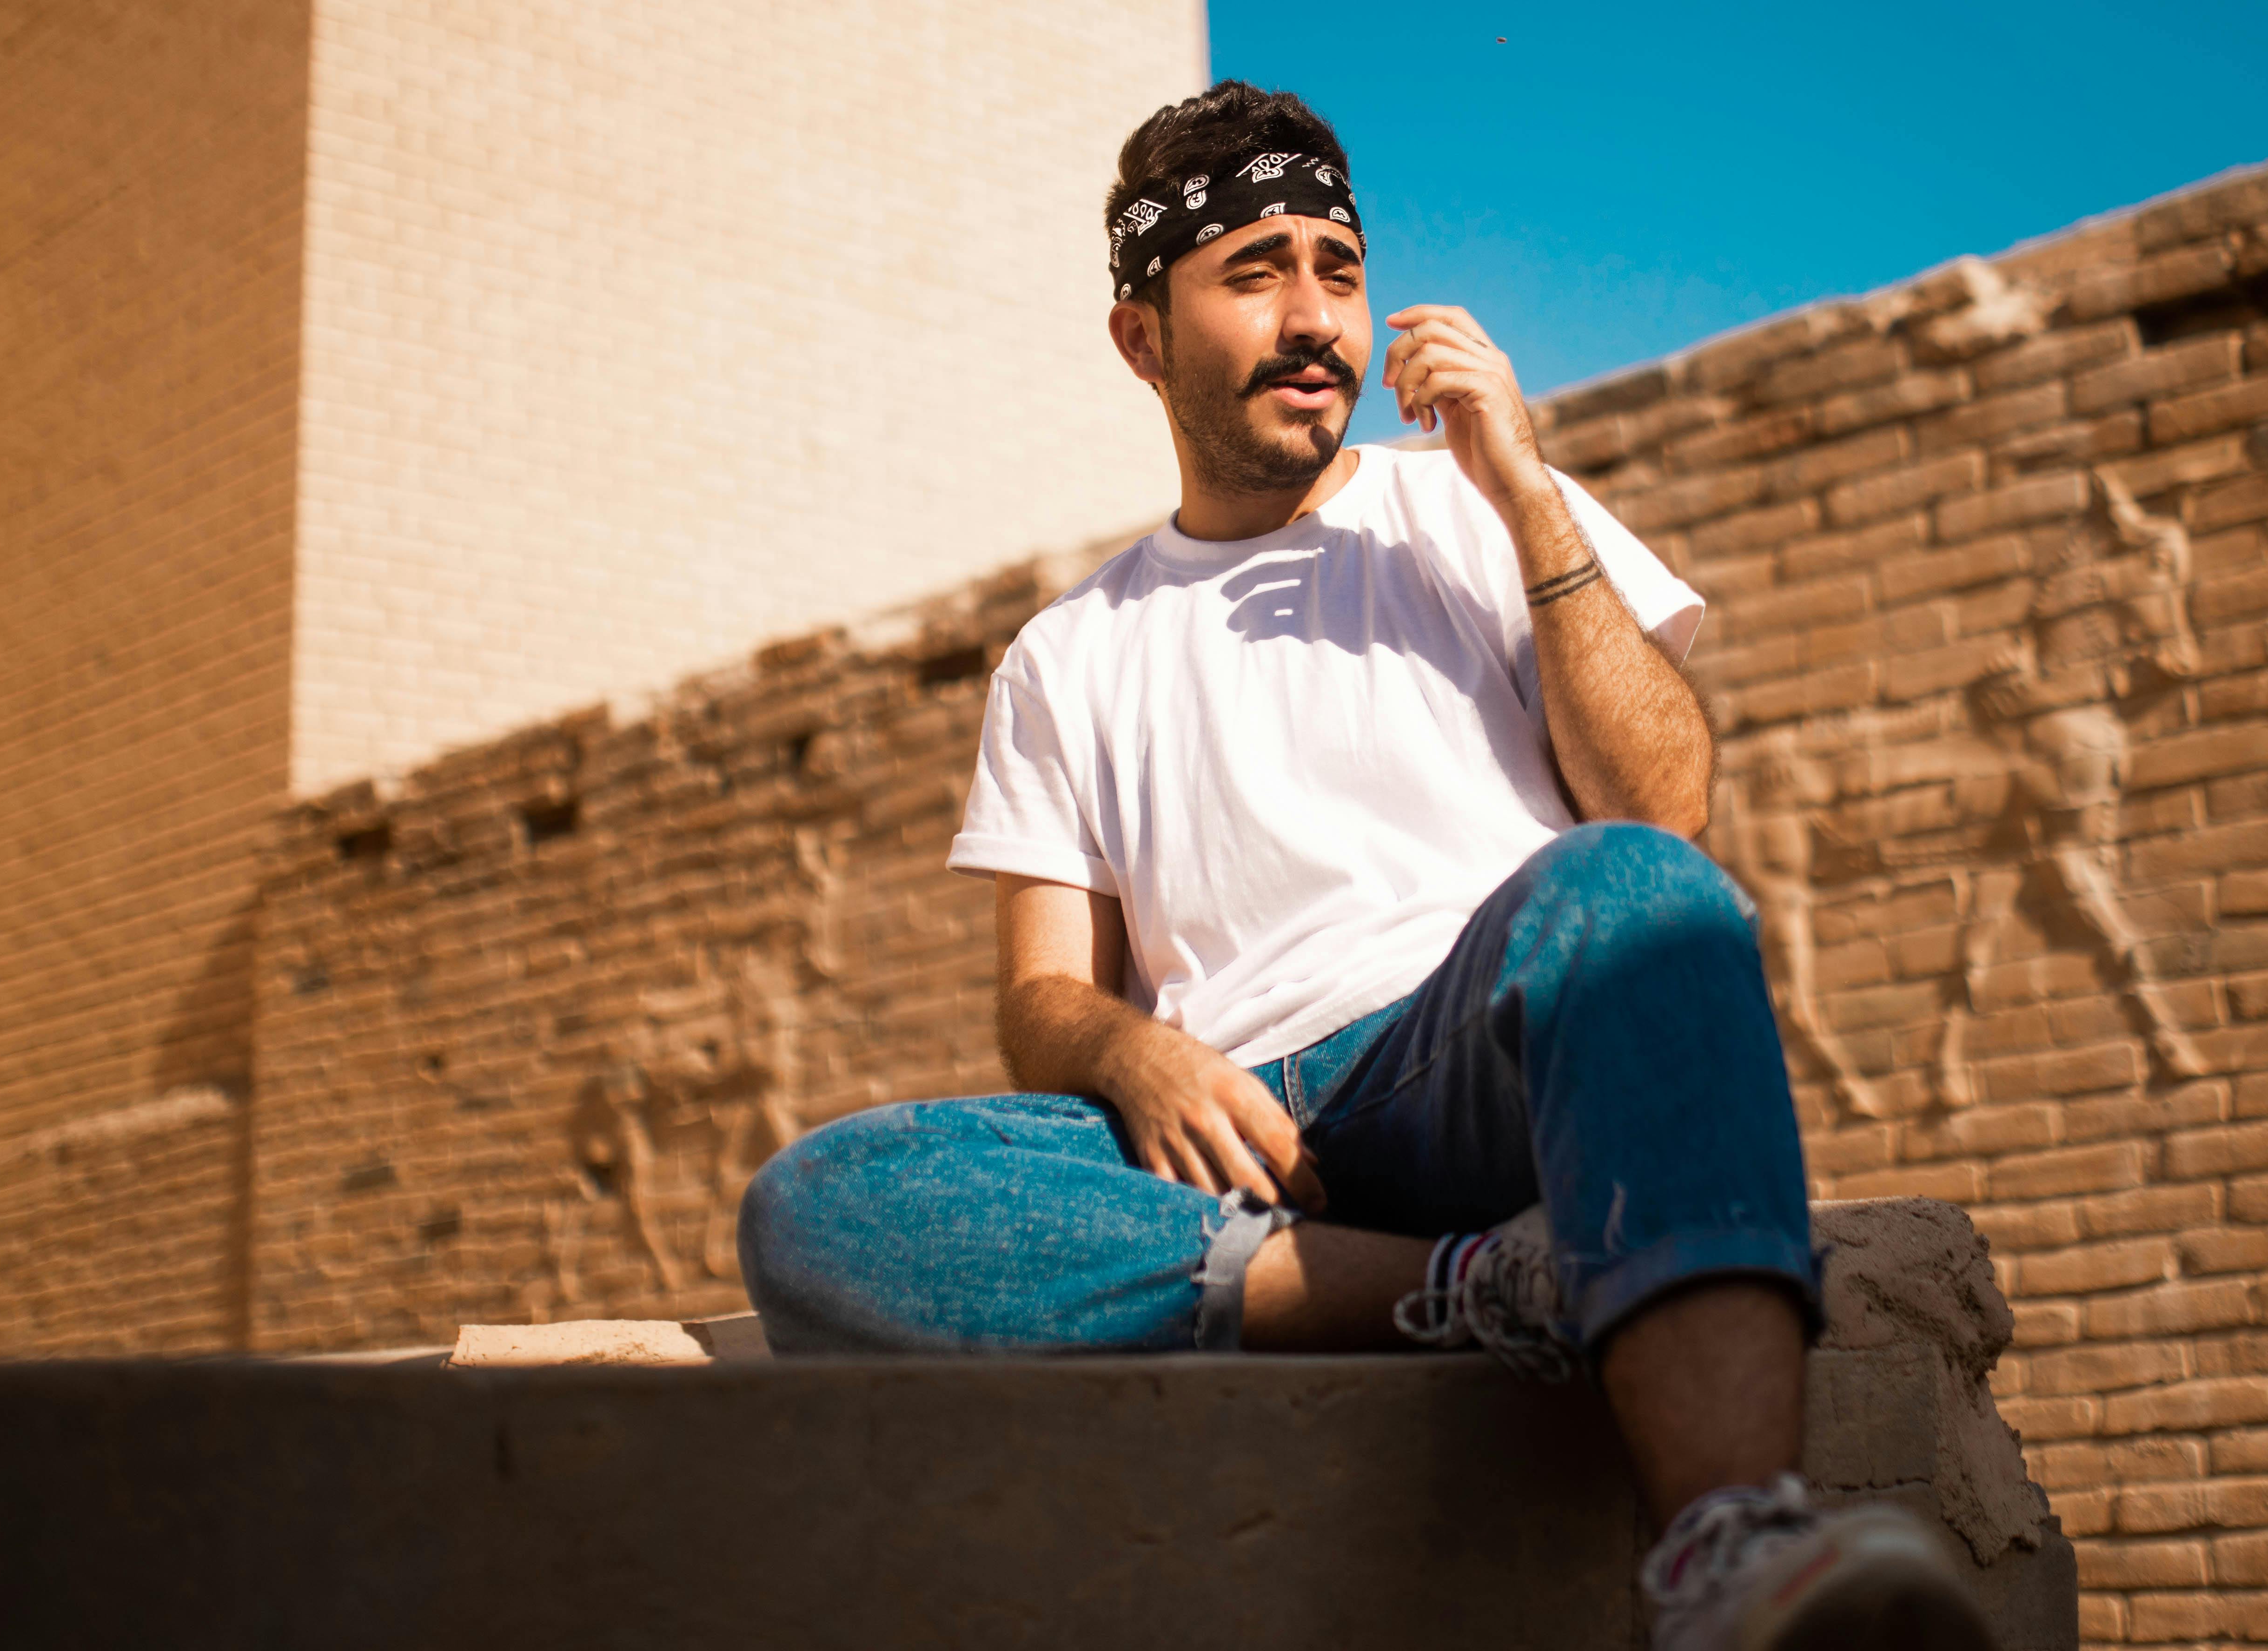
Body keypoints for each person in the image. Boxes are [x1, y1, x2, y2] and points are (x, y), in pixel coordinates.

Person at [738, 83, 1992, 1650]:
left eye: (1339, 266)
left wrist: (1528, 494)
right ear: (1142, 336)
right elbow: (1044, 999)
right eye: (1255, 269)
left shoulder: (1467, 515)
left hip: (1478, 1055)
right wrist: (1135, 1054)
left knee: (1637, 895)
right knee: (825, 1206)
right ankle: (1479, 1289)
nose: (1316, 316)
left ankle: (1737, 1548)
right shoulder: (1068, 656)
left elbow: (1665, 806)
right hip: (1244, 1145)